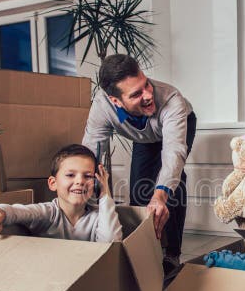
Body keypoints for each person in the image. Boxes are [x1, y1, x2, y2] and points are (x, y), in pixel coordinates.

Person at [82, 54, 196, 277]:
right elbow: (91, 154)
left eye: (146, 84)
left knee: (169, 187)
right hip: (143, 137)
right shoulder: (102, 107)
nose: (148, 95)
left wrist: (161, 194)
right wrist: (81, 189)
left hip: (178, 126)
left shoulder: (171, 98)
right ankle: (146, 249)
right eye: (136, 94)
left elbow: (173, 152)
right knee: (139, 192)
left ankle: (172, 254)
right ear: (115, 101)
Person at [0, 144, 123, 242]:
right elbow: (18, 212)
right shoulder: (48, 213)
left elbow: (111, 243)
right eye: (70, 175)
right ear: (53, 183)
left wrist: (105, 193)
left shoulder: (99, 217)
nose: (80, 181)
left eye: (88, 176)